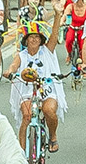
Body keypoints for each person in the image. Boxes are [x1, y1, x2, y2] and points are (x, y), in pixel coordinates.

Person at [5, 13, 68, 153]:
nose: (34, 40)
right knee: (26, 116)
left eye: (37, 37)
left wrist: (58, 15)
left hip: (47, 89)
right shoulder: (21, 55)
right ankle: (21, 153)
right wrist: (9, 71)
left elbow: (55, 35)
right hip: (27, 91)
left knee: (49, 110)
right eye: (31, 37)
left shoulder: (47, 50)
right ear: (26, 40)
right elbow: (14, 66)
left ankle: (53, 136)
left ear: (41, 40)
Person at [62, 0, 86, 66]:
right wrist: (61, 23)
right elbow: (65, 15)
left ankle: (84, 64)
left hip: (83, 29)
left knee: (83, 46)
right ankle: (69, 55)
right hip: (72, 27)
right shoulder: (70, 6)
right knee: (68, 41)